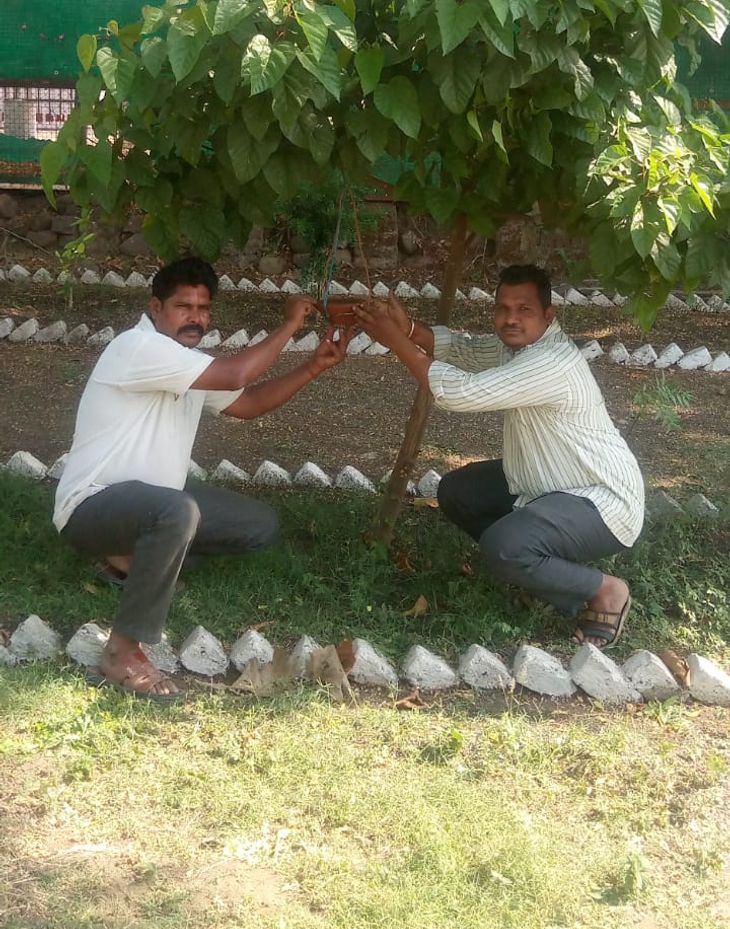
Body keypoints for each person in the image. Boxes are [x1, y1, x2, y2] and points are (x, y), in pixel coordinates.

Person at [54, 255, 348, 698]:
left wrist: (314, 367)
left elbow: (246, 403)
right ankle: (121, 650)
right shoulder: (138, 348)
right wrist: (290, 325)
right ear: (156, 308)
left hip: (155, 507)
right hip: (93, 506)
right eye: (183, 307)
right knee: (178, 511)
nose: (196, 318)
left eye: (203, 308)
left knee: (257, 525)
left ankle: (129, 561)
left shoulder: (186, 361)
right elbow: (237, 372)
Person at [354, 264, 644, 648]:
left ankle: (605, 590)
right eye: (502, 308)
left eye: (523, 309)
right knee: (459, 491)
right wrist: (408, 329)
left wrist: (396, 342)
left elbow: (461, 393)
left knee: (504, 546)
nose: (510, 319)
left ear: (548, 315)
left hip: (601, 499)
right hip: (546, 484)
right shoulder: (516, 345)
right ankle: (542, 575)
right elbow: (465, 351)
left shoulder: (551, 361)